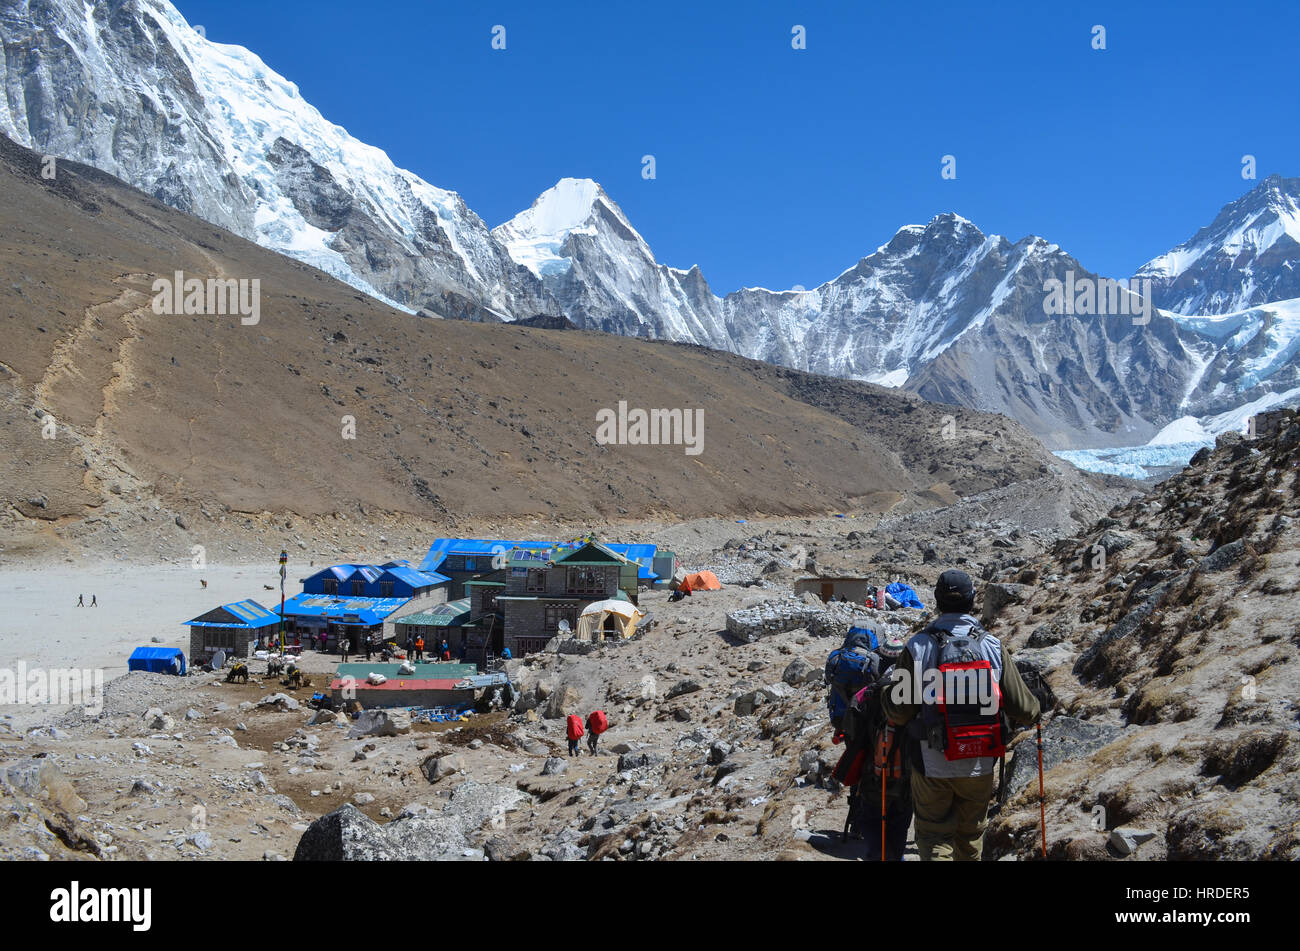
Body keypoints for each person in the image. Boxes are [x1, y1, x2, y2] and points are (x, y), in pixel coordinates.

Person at [881, 569, 1040, 861]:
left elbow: (899, 712)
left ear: (938, 601)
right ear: (972, 600)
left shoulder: (918, 647)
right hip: (980, 761)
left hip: (932, 762)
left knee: (934, 836)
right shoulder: (992, 646)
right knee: (970, 837)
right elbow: (1026, 710)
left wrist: (884, 695)